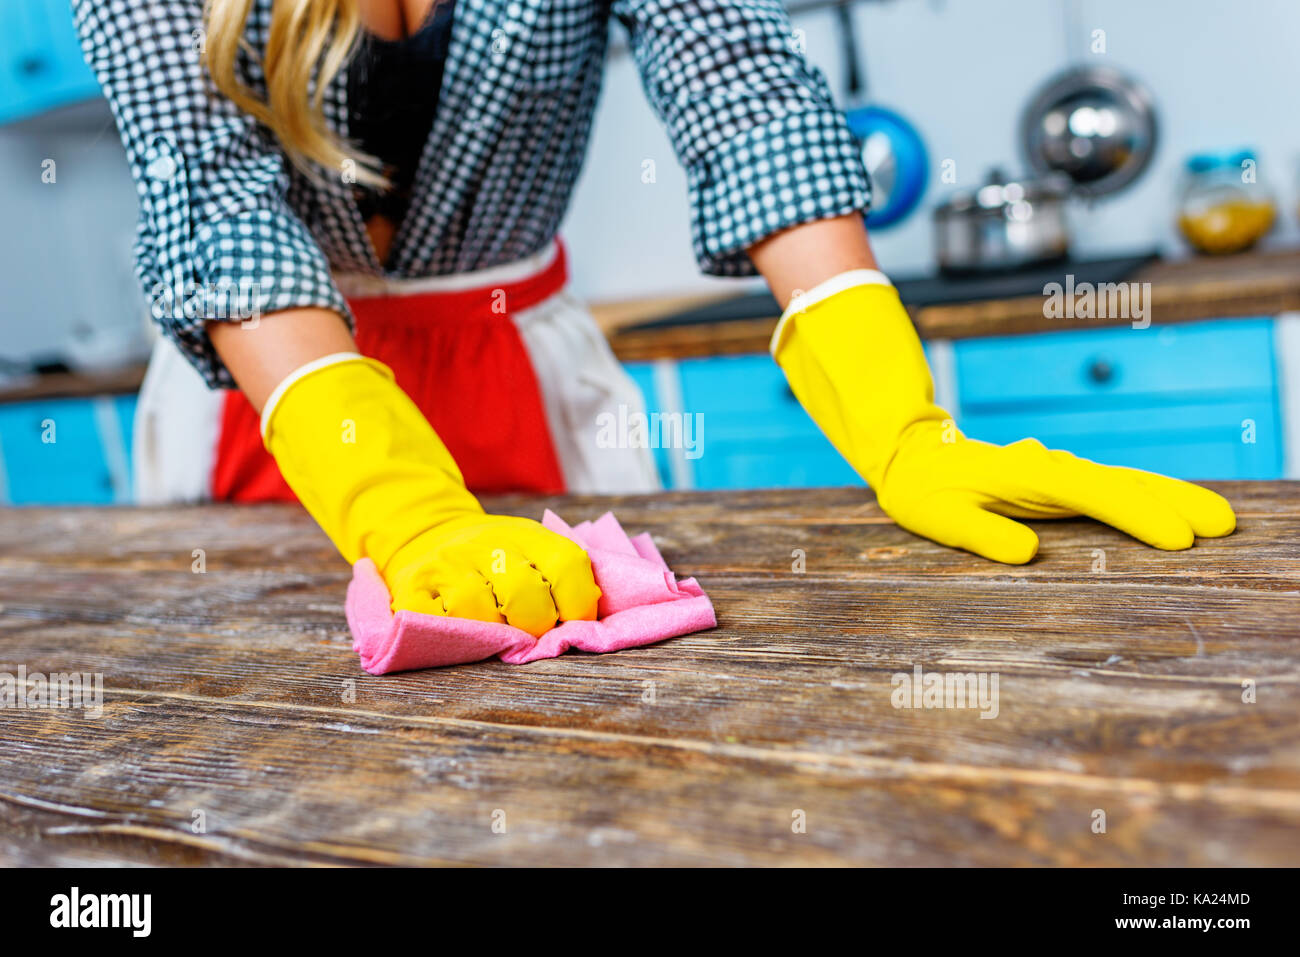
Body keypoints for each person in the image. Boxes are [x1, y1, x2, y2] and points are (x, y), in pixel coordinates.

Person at [75, 0, 1236, 637]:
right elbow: (218, 202)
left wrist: (898, 425)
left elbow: (742, 89)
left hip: (517, 366)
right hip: (280, 393)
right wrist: (408, 517)